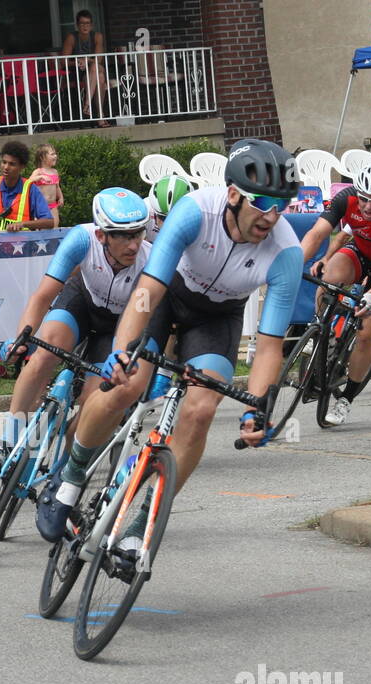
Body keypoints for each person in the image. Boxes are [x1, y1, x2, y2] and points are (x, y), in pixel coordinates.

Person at [35, 140, 303, 547]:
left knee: (201, 410)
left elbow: (268, 346)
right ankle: (69, 479)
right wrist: (123, 348)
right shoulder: (195, 211)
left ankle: (142, 525)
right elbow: (146, 291)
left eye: (281, 204)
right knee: (125, 383)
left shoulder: (286, 252)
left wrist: (256, 407)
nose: (271, 215)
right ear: (233, 194)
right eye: (262, 201)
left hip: (217, 318)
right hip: (166, 297)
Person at [0, 188, 156, 472]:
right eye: (123, 236)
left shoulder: (150, 261)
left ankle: (64, 472)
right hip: (82, 304)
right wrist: (20, 338)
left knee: (93, 401)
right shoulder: (82, 239)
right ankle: (8, 442)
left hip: (120, 325)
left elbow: (150, 321)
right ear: (102, 235)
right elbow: (42, 296)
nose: (133, 245)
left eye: (137, 233)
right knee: (43, 353)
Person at [297, 162, 371, 426]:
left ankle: (346, 398)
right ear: (355, 193)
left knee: (365, 334)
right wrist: (296, 264)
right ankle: (322, 337)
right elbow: (317, 233)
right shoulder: (344, 198)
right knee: (327, 281)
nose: (368, 206)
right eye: (363, 199)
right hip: (360, 253)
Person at [0, 140, 54, 233]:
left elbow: (49, 222)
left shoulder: (30, 189)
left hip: (23, 246)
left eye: (12, 164)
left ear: (22, 167)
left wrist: (23, 224)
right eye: (4, 162)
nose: (6, 167)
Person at [60, 9, 108, 127]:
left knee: (95, 67)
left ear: (91, 25)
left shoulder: (97, 36)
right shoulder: (72, 37)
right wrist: (76, 62)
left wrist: (87, 60)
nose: (85, 26)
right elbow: (63, 62)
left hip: (93, 69)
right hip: (78, 72)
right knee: (100, 78)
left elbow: (99, 59)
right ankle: (100, 116)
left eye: (88, 23)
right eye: (82, 23)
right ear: (77, 25)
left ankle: (87, 104)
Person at [145, 175, 195, 242]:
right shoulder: (145, 210)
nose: (168, 224)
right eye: (163, 218)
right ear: (154, 212)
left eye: (175, 218)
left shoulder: (196, 213)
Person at [29, 144, 64, 229]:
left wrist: (61, 197)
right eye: (52, 154)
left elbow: (57, 186)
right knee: (41, 227)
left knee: (55, 224)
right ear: (42, 158)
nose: (55, 156)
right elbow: (29, 181)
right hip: (41, 206)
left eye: (55, 154)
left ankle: (54, 241)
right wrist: (40, 177)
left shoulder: (55, 172)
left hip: (53, 205)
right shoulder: (38, 171)